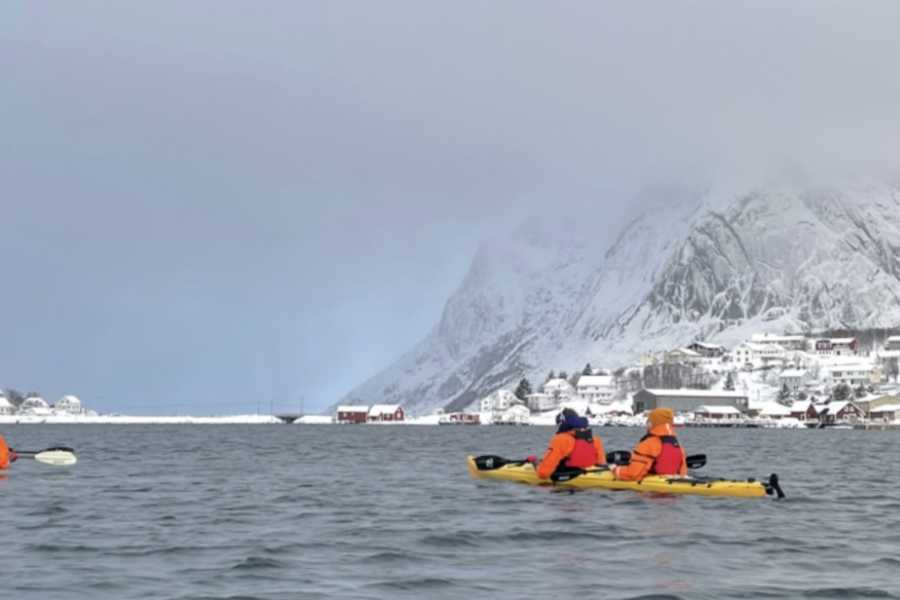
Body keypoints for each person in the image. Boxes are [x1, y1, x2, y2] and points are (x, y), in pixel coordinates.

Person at [610, 407, 686, 481]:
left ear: (654, 423)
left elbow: (633, 474)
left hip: (650, 491)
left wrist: (615, 469)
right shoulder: (677, 444)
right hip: (673, 488)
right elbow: (683, 472)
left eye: (649, 421)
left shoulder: (649, 444)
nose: (646, 423)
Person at [533, 409, 606, 480]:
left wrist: (535, 464)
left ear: (562, 424)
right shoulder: (595, 440)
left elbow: (543, 474)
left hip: (568, 480)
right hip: (592, 475)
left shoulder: (561, 440)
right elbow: (601, 464)